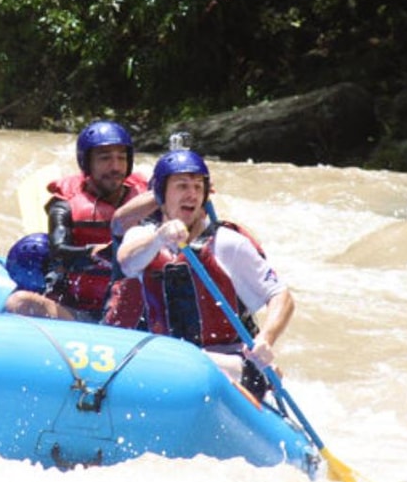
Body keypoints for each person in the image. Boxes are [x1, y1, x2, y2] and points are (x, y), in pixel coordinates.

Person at [105, 149, 296, 401]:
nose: (192, 194)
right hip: (166, 359)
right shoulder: (144, 237)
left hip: (226, 361)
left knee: (186, 361)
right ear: (161, 194)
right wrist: (160, 237)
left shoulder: (228, 243)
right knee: (161, 359)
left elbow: (280, 295)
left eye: (198, 186)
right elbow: (128, 262)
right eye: (182, 186)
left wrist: (266, 338)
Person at [3, 120, 149, 321]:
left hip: (131, 313)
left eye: (121, 158)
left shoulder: (146, 200)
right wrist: (94, 253)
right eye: (105, 158)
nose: (115, 167)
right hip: (77, 312)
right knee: (19, 300)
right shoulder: (64, 204)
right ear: (87, 163)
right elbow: (58, 250)